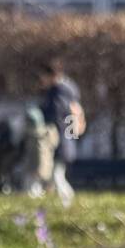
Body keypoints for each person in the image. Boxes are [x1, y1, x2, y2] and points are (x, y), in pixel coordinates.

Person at [37, 59, 84, 206]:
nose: (41, 80)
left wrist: (42, 118)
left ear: (51, 75)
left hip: (60, 140)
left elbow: (56, 116)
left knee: (57, 175)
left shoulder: (58, 92)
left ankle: (69, 202)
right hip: (67, 139)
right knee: (55, 176)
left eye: (42, 77)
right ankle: (60, 204)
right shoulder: (70, 90)